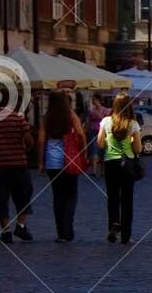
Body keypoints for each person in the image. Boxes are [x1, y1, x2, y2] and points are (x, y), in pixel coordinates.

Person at [0, 104, 35, 245]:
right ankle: (20, 226)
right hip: (19, 164)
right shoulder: (18, 118)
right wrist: (26, 149)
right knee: (24, 195)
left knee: (1, 199)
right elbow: (29, 139)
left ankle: (6, 232)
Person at [38, 92, 86, 243]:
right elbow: (80, 135)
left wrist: (41, 161)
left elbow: (40, 140)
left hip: (53, 162)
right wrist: (82, 152)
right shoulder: (71, 115)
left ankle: (60, 233)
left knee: (57, 196)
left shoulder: (47, 117)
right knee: (71, 196)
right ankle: (68, 230)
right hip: (70, 159)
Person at [97, 93, 142, 245]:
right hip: (127, 163)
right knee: (127, 200)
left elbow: (100, 144)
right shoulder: (133, 124)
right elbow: (138, 148)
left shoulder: (106, 122)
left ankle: (113, 226)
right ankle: (126, 235)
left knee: (112, 198)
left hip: (110, 163)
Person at [85, 97, 105, 177]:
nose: (93, 101)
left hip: (102, 131)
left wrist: (97, 113)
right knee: (93, 150)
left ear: (99, 100)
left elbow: (103, 119)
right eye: (93, 100)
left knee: (102, 150)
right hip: (92, 131)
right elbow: (88, 120)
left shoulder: (105, 110)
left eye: (95, 100)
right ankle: (94, 171)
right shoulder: (91, 109)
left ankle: (102, 171)